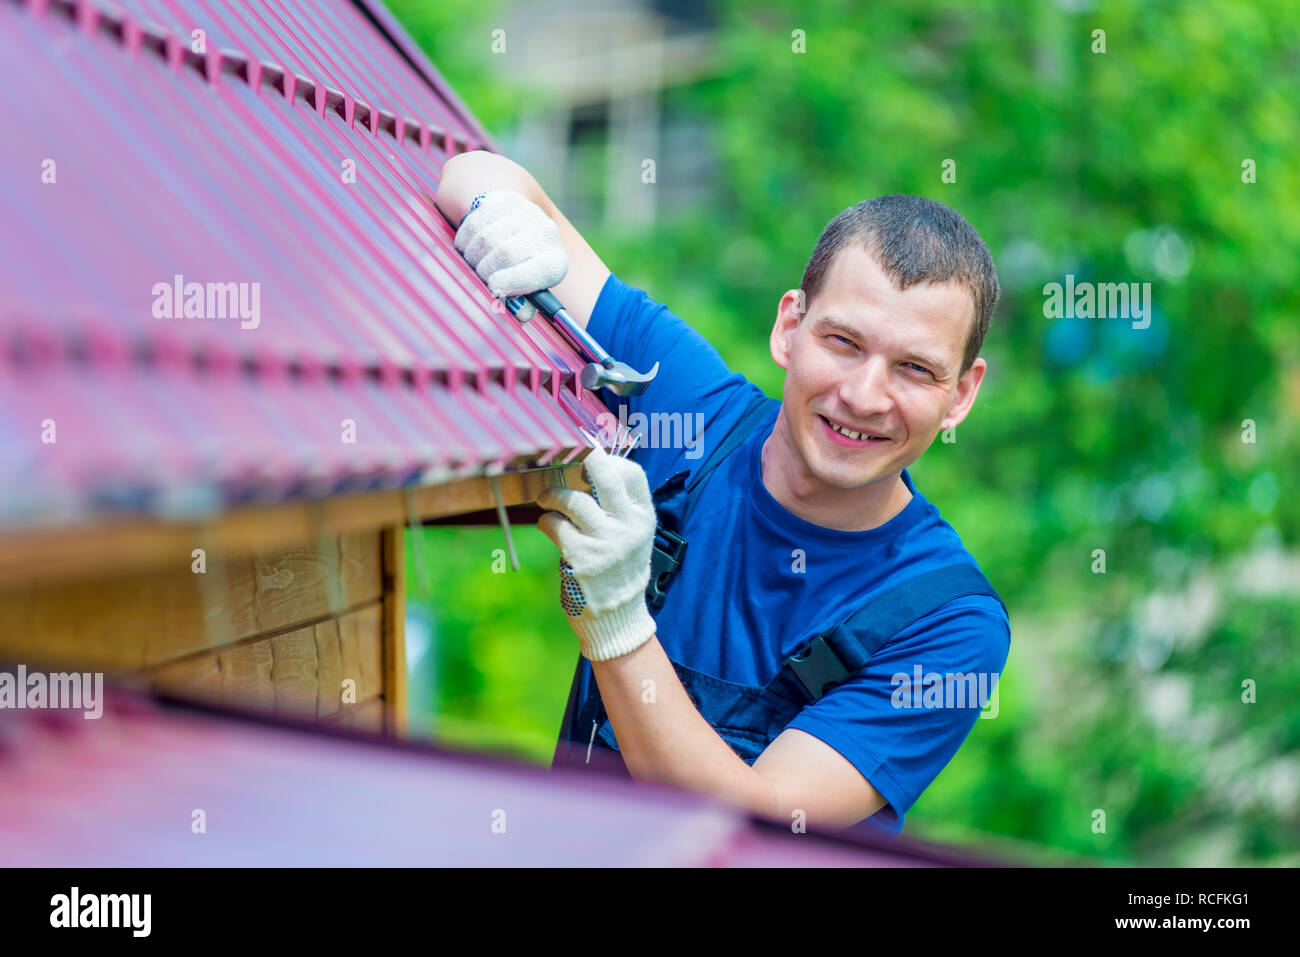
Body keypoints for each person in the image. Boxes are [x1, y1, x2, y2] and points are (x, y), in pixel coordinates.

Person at [435, 152, 1009, 839]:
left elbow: (754, 822)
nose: (863, 395)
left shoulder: (947, 623)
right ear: (789, 328)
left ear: (962, 393)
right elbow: (473, 173)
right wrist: (497, 217)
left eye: (914, 368)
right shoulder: (688, 410)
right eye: (843, 342)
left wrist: (617, 620)